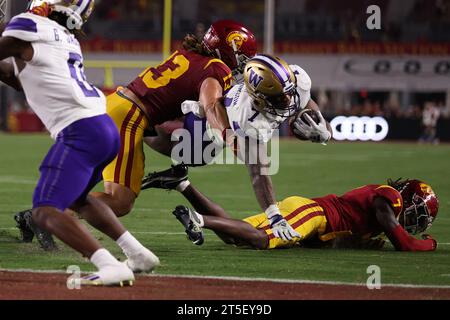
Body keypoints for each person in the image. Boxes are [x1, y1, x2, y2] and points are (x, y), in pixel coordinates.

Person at [13, 18, 257, 247]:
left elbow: (158, 122)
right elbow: (211, 104)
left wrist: (182, 151)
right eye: (243, 57)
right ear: (229, 49)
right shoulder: (217, 69)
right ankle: (42, 216)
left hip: (118, 107)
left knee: (92, 185)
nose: (242, 64)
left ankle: (44, 213)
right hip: (128, 117)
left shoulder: (192, 56)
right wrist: (228, 135)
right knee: (120, 200)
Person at [0, 1, 159, 286]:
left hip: (80, 131)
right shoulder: (64, 38)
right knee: (77, 198)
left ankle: (108, 264)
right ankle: (137, 254)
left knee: (45, 210)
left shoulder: (30, 24)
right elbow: (18, 76)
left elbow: (8, 45)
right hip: (104, 129)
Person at [143, 54, 333, 242]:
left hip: (225, 106)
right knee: (185, 153)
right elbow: (258, 171)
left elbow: (305, 101)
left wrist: (324, 128)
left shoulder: (297, 81)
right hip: (214, 122)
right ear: (259, 99)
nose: (287, 101)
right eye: (278, 99)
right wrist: (274, 216)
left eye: (288, 93)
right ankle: (141, 123)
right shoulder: (248, 117)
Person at [147, 165, 439, 251]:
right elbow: (404, 242)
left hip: (310, 216)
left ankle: (182, 184)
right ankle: (198, 219)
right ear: (406, 197)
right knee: (262, 240)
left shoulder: (378, 215)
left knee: (237, 236)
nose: (413, 221)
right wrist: (430, 244)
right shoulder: (387, 197)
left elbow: (340, 240)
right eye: (417, 214)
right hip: (314, 213)